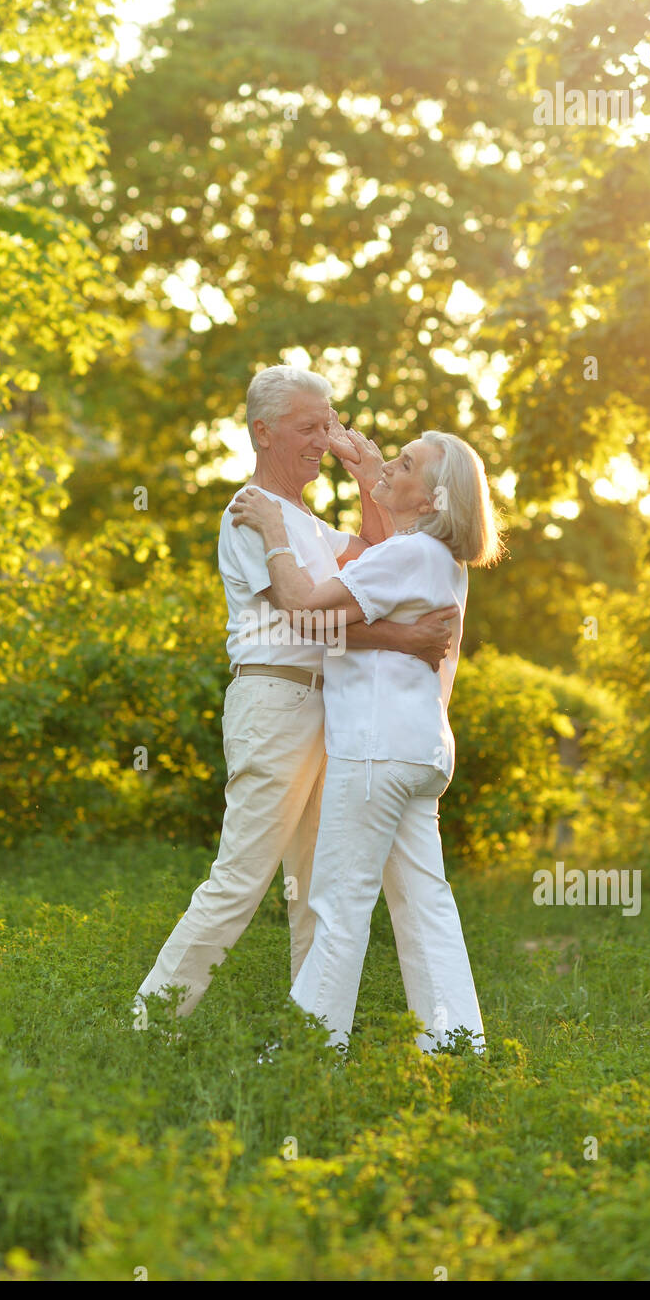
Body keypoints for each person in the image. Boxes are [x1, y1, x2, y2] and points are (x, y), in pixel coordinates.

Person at [133, 366, 456, 1024]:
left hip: (327, 712)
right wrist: (403, 638)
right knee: (240, 880)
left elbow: (377, 550)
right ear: (262, 431)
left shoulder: (304, 521)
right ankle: (149, 1025)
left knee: (315, 891)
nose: (321, 438)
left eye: (327, 423)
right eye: (308, 427)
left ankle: (311, 1040)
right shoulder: (252, 511)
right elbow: (298, 613)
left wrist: (362, 469)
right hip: (274, 704)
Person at [229, 428, 505, 1054]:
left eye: (406, 463)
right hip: (418, 752)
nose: (391, 463)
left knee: (338, 900)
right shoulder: (436, 558)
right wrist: (372, 475)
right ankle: (455, 1045)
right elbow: (349, 612)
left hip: (376, 749)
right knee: (423, 903)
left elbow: (302, 608)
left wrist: (275, 528)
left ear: (432, 499)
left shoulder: (407, 555)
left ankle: (308, 1054)